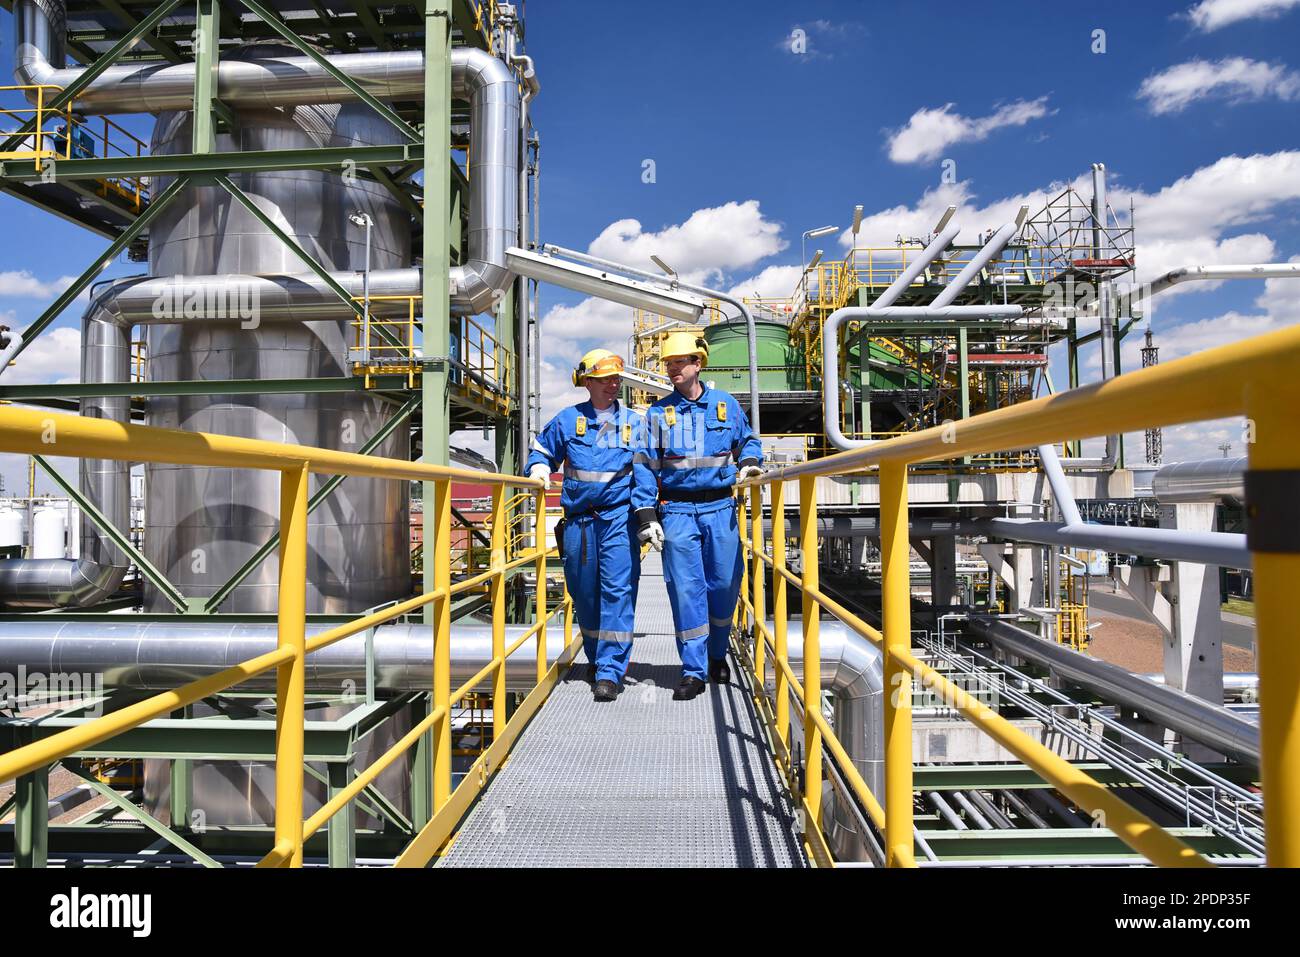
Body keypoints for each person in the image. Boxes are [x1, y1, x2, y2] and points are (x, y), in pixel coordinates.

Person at [633, 331, 763, 701]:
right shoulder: (659, 413)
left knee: (723, 584)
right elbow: (644, 464)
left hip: (720, 509)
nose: (672, 369)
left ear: (697, 364)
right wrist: (646, 515)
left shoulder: (725, 405)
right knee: (686, 591)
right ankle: (693, 670)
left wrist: (751, 462)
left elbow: (748, 440)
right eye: (669, 364)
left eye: (679, 362)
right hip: (676, 511)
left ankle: (716, 653)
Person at [526, 349, 645, 702]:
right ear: (587, 382)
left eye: (616, 379)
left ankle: (610, 670)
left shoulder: (636, 424)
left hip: (618, 519)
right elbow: (541, 451)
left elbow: (648, 471)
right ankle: (596, 656)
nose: (613, 384)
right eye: (606, 379)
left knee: (618, 592)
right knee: (585, 594)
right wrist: (539, 468)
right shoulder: (567, 421)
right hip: (579, 524)